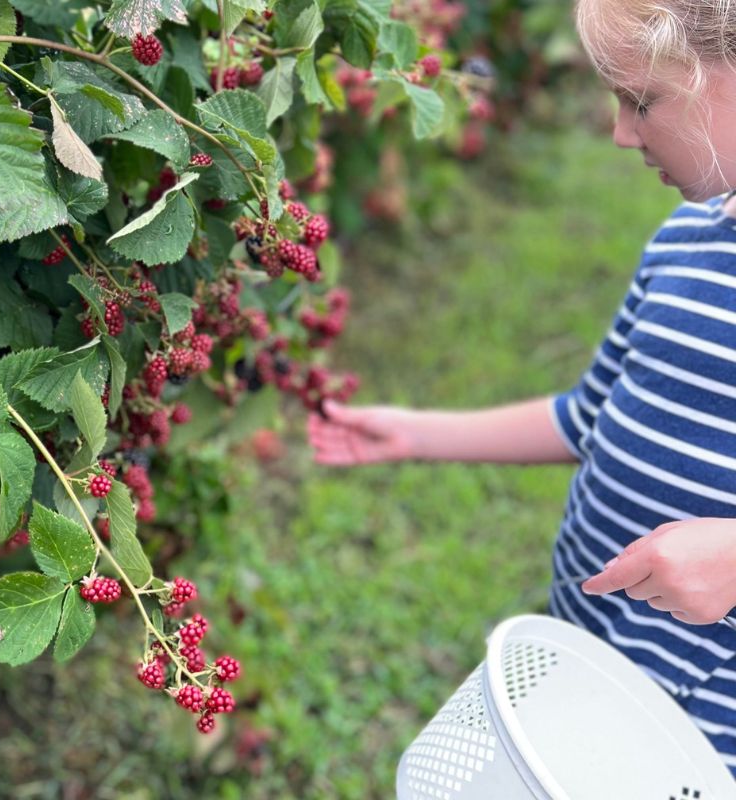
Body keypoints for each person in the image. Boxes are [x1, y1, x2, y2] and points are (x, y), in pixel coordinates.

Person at [308, 0, 736, 775]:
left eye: (642, 100)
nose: (620, 132)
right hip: (585, 664)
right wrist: (415, 433)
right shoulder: (682, 244)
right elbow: (589, 418)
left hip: (707, 738)